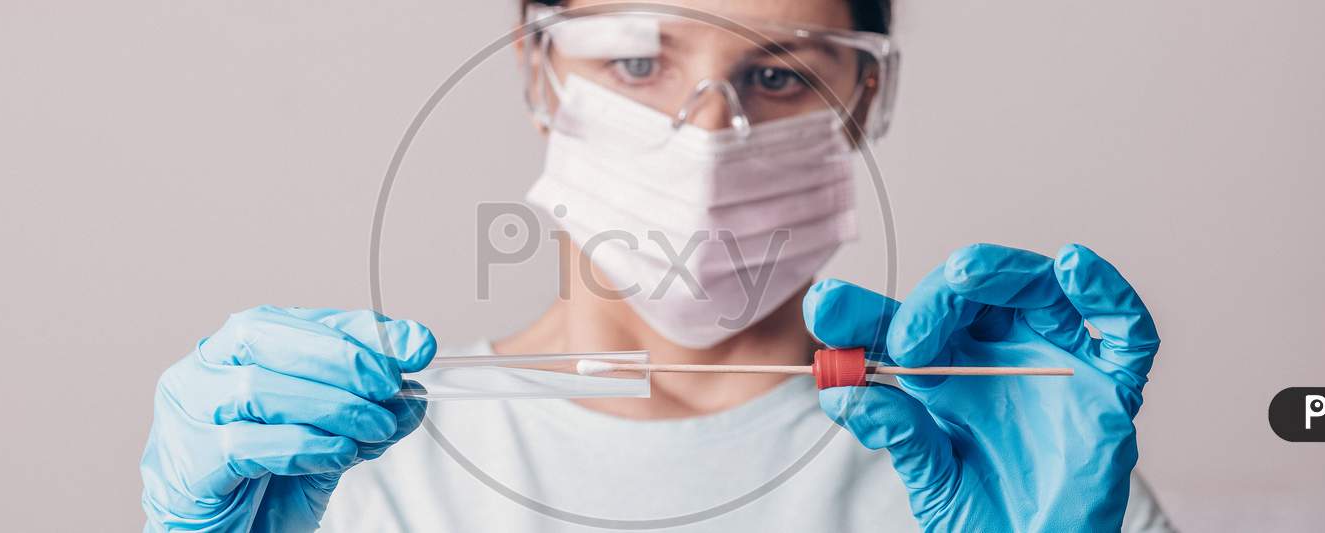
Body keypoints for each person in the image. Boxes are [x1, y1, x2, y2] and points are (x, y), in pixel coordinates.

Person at [140, 0, 1176, 531]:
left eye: (775, 73)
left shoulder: (1013, 471)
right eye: (638, 63)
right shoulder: (351, 471)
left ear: (860, 97)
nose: (706, 137)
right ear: (536, 68)